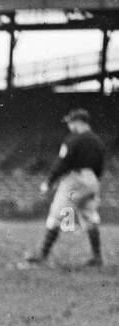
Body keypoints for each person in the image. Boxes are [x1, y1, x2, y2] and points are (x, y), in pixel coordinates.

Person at [25, 107, 105, 267]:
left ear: (78, 122)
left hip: (74, 179)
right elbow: (100, 167)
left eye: (70, 122)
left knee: (56, 214)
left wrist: (48, 182)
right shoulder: (98, 141)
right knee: (90, 216)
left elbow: (62, 163)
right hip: (91, 181)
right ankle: (97, 257)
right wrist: (91, 183)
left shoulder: (73, 139)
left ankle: (43, 254)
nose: (69, 125)